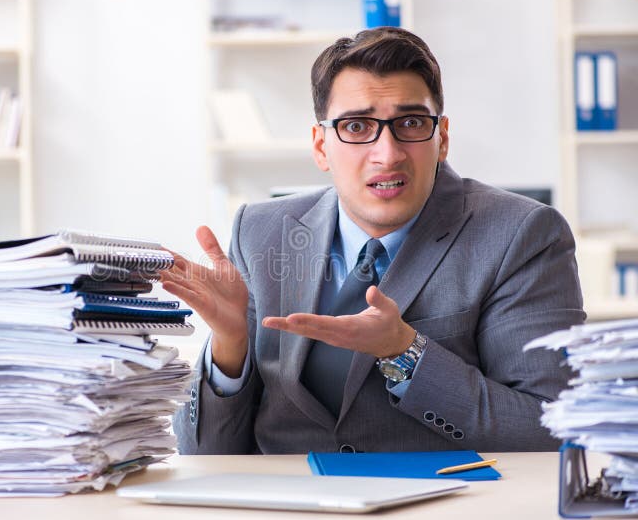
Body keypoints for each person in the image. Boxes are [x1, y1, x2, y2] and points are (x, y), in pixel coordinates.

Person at [161, 27, 585, 454]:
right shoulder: (260, 231)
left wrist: (404, 351)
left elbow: (548, 430)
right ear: (321, 146)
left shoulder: (522, 234)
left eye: (412, 122)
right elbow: (205, 454)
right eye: (357, 126)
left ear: (442, 139)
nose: (388, 153)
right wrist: (229, 346)